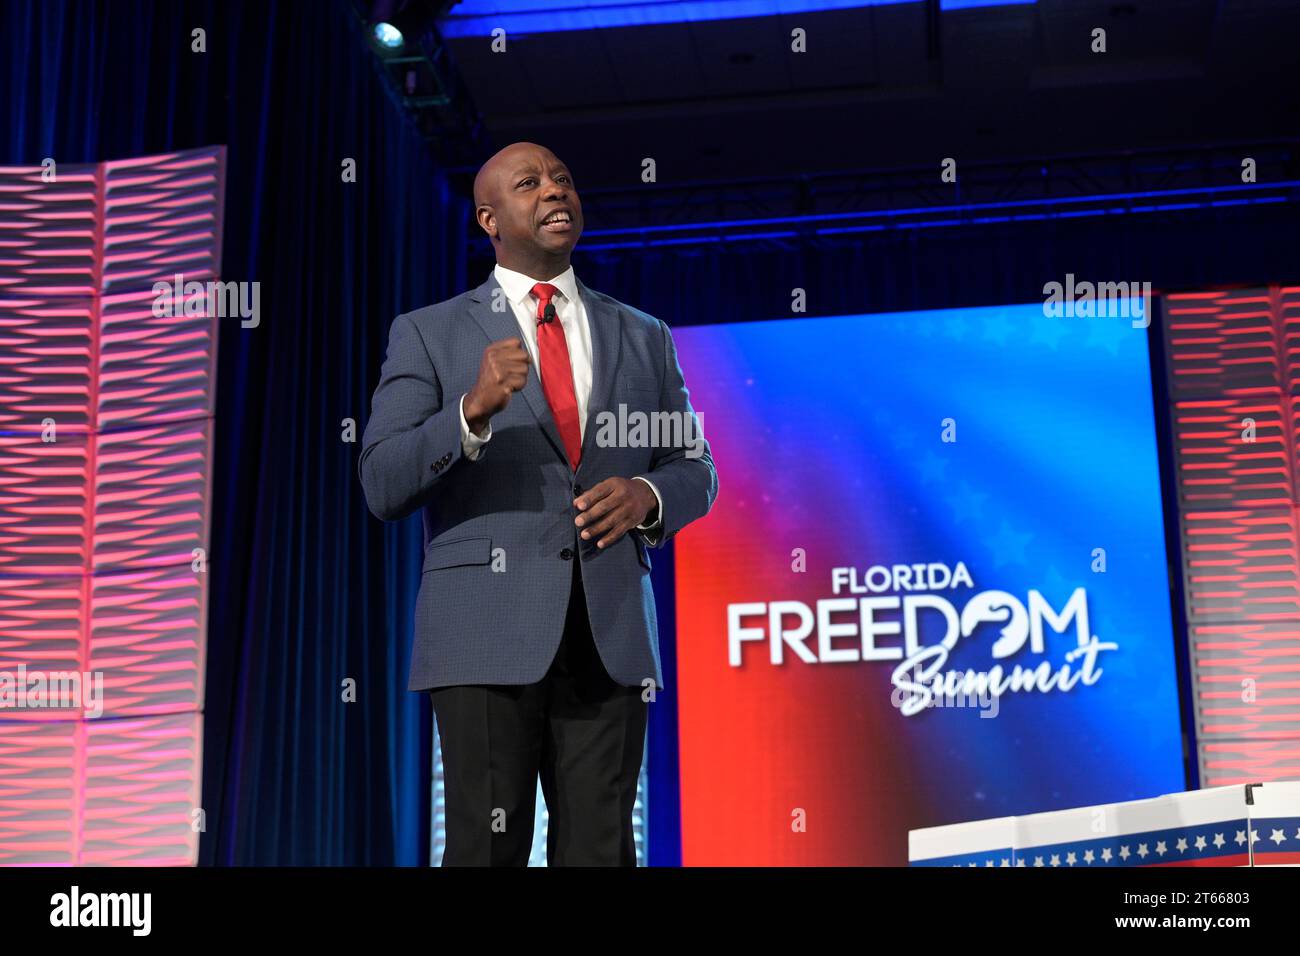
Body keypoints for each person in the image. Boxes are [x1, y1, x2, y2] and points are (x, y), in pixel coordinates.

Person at [359, 142, 718, 866]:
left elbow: (694, 467)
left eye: (563, 178)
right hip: (483, 638)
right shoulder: (430, 333)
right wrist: (469, 410)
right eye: (530, 183)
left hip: (608, 633)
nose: (554, 190)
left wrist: (648, 493)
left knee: (601, 852)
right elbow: (383, 479)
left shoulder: (643, 336)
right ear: (489, 218)